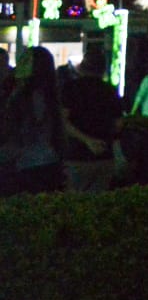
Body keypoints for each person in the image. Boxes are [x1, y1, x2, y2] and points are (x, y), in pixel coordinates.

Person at [1, 47, 67, 194]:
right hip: (43, 161)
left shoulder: (30, 96)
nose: (19, 64)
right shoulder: (46, 94)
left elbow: (26, 132)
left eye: (25, 61)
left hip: (30, 164)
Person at [60, 48, 123, 192]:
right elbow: (118, 125)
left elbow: (63, 121)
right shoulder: (111, 91)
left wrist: (86, 140)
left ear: (82, 68)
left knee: (75, 203)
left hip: (77, 156)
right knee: (98, 204)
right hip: (104, 155)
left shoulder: (71, 88)